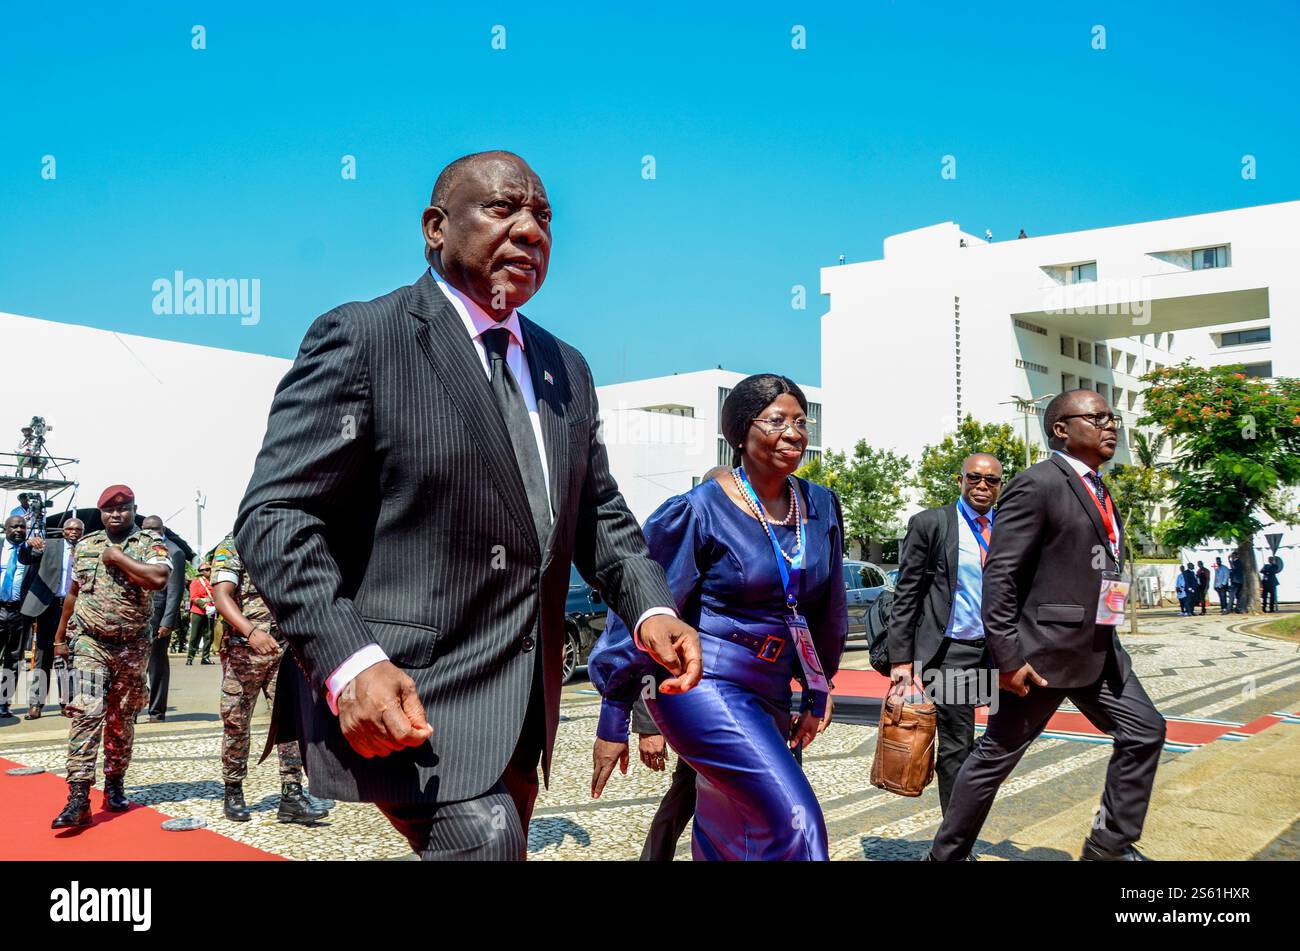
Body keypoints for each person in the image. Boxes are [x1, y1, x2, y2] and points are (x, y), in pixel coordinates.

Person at [234, 151, 700, 861]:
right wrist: (349, 660)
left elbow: (597, 515)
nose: (530, 230)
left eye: (543, 217)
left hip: (518, 708)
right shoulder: (364, 337)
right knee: (486, 841)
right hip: (404, 688)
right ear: (435, 227)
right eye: (503, 208)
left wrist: (652, 609)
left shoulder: (566, 367)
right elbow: (276, 516)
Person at [590, 374, 848, 861]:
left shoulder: (820, 505)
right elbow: (640, 612)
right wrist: (614, 716)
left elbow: (824, 609)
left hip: (772, 686)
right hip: (702, 683)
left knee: (732, 828)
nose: (793, 432)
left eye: (800, 421)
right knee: (796, 820)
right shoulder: (695, 511)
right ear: (739, 432)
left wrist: (818, 687)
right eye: (776, 421)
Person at [928, 390, 1166, 861]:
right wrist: (1008, 659)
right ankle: (945, 856)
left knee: (1145, 730)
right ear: (1061, 428)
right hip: (1040, 658)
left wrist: (1112, 631)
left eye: (1111, 417)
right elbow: (1001, 575)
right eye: (1096, 418)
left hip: (1099, 653)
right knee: (993, 759)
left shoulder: (1098, 487)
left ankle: (1108, 847)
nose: (1110, 425)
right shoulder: (1037, 483)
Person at [51, 485, 172, 827]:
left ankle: (115, 783)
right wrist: (60, 637)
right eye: (108, 509)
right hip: (90, 642)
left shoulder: (150, 543)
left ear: (134, 509)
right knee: (85, 713)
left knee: (121, 720)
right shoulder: (87, 545)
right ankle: (78, 797)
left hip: (132, 646)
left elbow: (160, 578)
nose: (116, 514)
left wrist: (118, 557)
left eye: (123, 508)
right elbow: (73, 594)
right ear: (101, 512)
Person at [887, 453, 1001, 815]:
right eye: (974, 478)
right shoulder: (931, 524)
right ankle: (955, 841)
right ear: (960, 481)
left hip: (996, 651)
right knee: (956, 745)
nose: (982, 485)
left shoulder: (1010, 526)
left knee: (998, 738)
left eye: (991, 480)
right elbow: (907, 594)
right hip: (951, 652)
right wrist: (902, 659)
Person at [209, 532, 327, 825]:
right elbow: (222, 597)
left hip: (285, 648)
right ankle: (233, 790)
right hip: (243, 650)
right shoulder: (233, 545)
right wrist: (251, 632)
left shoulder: (282, 541)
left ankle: (292, 794)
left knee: (290, 723)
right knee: (236, 722)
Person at [20, 517, 84, 719]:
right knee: (43, 656)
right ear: (63, 531)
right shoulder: (50, 545)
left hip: (75, 610)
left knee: (68, 657)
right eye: (70, 529)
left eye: (78, 529)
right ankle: (36, 704)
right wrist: (28, 545)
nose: (74, 532)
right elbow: (26, 558)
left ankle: (67, 702)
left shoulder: (87, 549)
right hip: (49, 607)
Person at [141, 515, 186, 722]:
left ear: (163, 528)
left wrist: (168, 621)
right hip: (136, 615)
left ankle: (157, 711)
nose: (151, 533)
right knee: (133, 664)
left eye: (155, 529)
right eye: (146, 529)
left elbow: (175, 590)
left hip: (158, 617)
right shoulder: (138, 547)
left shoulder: (173, 551)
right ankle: (132, 709)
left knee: (156, 664)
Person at [0, 515, 42, 719]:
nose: (18, 530)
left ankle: (3, 703)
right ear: (5, 528)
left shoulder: (31, 551)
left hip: (20, 611)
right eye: (14, 526)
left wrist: (37, 546)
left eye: (22, 527)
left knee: (14, 659)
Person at [185, 566, 215, 665]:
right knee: (195, 635)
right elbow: (193, 597)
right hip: (198, 611)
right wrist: (205, 606)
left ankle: (205, 657)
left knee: (209, 635)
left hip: (211, 611)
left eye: (209, 569)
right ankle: (190, 657)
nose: (208, 571)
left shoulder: (213, 581)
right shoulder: (196, 581)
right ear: (201, 572)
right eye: (206, 570)